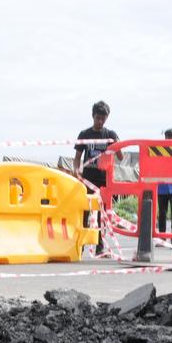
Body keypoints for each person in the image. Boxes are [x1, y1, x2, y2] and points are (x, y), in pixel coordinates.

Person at [74, 101, 119, 255]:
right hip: (88, 178)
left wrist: (116, 146)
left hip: (104, 180)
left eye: (103, 119)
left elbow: (120, 156)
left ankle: (100, 246)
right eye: (98, 118)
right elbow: (77, 157)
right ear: (93, 116)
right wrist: (76, 171)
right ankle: (80, 245)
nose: (100, 122)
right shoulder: (84, 135)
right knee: (85, 212)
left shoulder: (110, 135)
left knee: (102, 214)